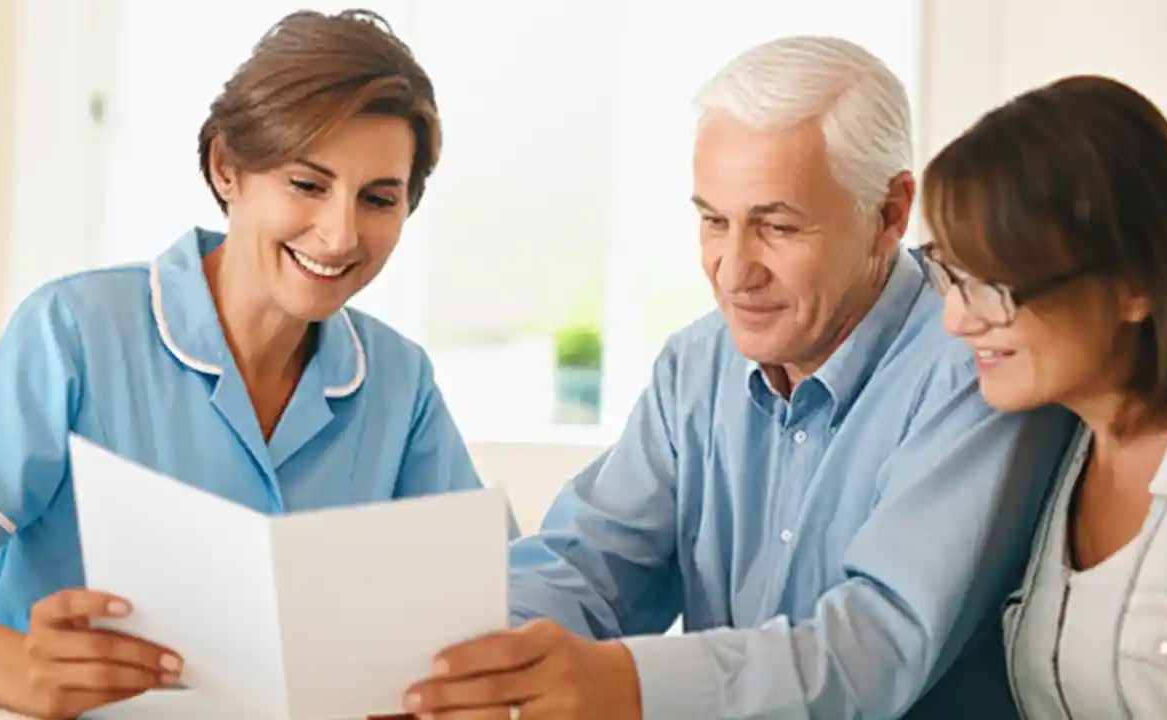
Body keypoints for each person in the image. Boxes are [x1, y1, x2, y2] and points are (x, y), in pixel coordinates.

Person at [398, 36, 1075, 719]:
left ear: (890, 214)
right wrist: (472, 662)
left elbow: (877, 646)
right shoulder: (696, 365)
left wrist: (627, 684)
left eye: (776, 227)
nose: (732, 269)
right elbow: (588, 563)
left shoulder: (980, 365)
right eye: (713, 221)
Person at [0, 10, 489, 719]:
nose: (340, 234)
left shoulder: (403, 384)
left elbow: (480, 620)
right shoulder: (76, 331)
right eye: (307, 185)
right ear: (227, 168)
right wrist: (20, 671)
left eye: (378, 199)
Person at [920, 75, 1167, 718]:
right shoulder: (1045, 453)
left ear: (1134, 285)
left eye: (997, 286)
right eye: (950, 273)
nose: (956, 320)